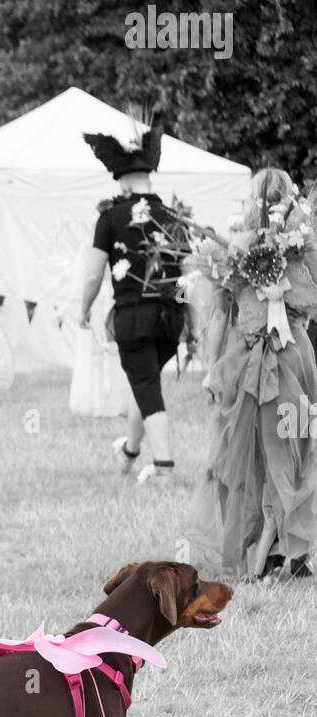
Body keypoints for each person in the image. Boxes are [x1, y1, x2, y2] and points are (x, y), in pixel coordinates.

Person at [188, 168, 317, 578]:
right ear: (290, 203)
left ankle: (253, 552)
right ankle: (287, 551)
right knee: (293, 453)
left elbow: (220, 318)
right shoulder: (302, 249)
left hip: (245, 364)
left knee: (244, 460)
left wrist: (211, 372)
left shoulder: (232, 254)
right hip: (293, 357)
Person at [81, 109, 192, 484]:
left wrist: (81, 309)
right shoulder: (175, 216)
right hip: (171, 319)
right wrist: (190, 322)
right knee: (143, 381)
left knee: (144, 384)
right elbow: (187, 276)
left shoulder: (110, 216)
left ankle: (164, 468)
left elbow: (95, 271)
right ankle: (129, 452)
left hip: (134, 316)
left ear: (121, 180)